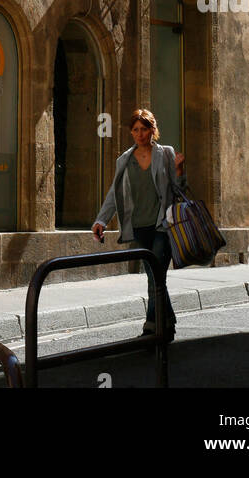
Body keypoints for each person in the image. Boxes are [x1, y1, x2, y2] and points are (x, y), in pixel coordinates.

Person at [91, 108, 186, 340]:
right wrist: (101, 219)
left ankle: (151, 328)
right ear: (131, 132)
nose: (140, 134)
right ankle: (168, 324)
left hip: (162, 225)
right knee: (155, 279)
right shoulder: (124, 160)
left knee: (155, 276)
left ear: (152, 130)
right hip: (138, 227)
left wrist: (179, 170)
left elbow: (178, 190)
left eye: (144, 129)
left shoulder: (166, 154)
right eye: (135, 130)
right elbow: (115, 193)